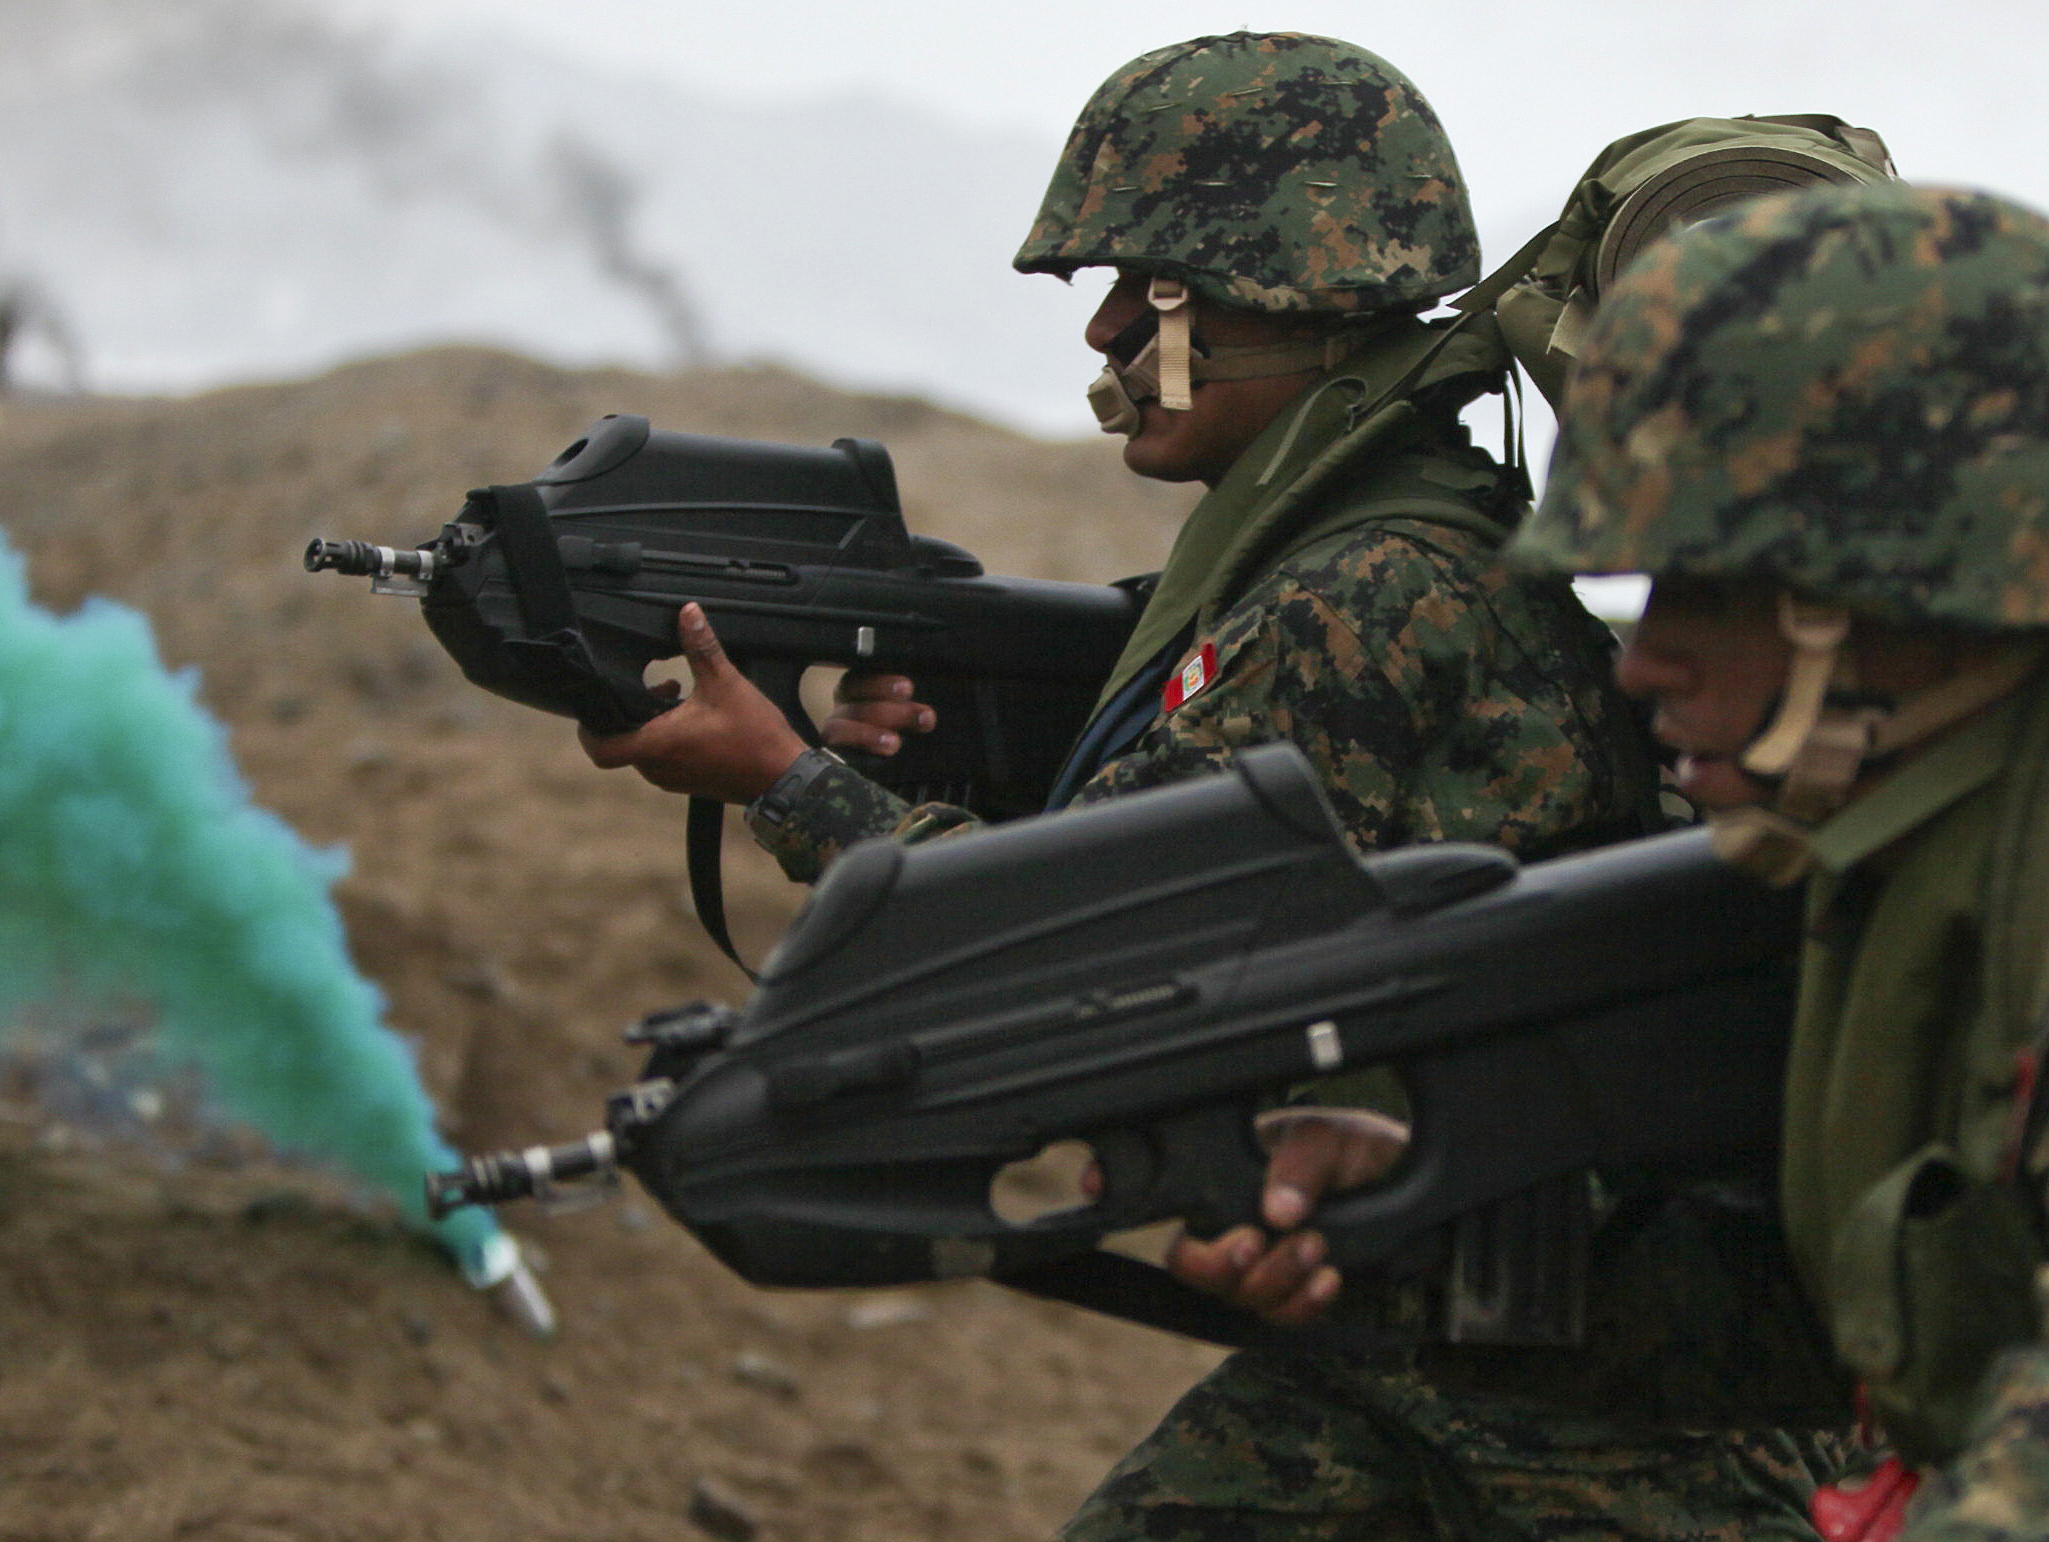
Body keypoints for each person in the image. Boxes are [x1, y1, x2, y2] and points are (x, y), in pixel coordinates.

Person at [585, 31, 1853, 1541]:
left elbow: (1095, 963)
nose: (1108, 332)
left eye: (1154, 289)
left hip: (1589, 1399)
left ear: (1295, 295)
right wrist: (916, 763)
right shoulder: (1372, 543)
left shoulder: (1368, 586)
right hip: (1428, 1339)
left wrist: (789, 783)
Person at [1511, 179, 2049, 1542]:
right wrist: (1424, 1245)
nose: (1638, 663)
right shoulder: (1912, 844)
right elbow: (1880, 1334)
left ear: (1882, 586)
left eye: (1702, 586)